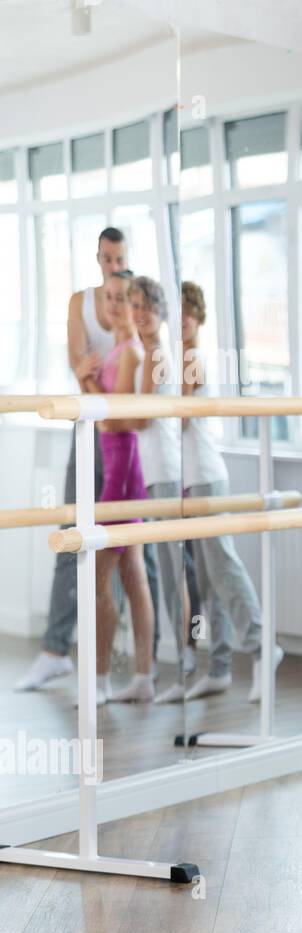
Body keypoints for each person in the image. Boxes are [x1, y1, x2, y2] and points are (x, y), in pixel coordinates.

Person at [14, 227, 120, 692]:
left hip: (124, 438)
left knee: (133, 548)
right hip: (88, 434)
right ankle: (55, 652)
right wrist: (85, 377)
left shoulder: (129, 302)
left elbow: (105, 374)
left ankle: (140, 666)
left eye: (120, 260)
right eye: (107, 259)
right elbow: (79, 369)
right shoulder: (81, 302)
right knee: (70, 534)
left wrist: (87, 376)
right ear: (97, 258)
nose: (113, 266)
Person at [177, 282, 283, 702]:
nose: (183, 319)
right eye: (178, 312)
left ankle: (262, 646)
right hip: (192, 479)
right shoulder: (177, 357)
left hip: (206, 476)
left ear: (198, 318)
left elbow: (179, 420)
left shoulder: (190, 358)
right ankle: (219, 666)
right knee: (206, 579)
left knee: (222, 567)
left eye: (189, 312)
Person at [77, 269, 155, 704]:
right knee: (133, 574)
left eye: (120, 298)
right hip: (120, 468)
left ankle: (101, 679)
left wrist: (83, 377)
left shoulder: (131, 354)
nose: (112, 305)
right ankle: (142, 677)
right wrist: (85, 375)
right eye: (107, 297)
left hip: (123, 471)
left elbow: (110, 420)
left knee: (97, 574)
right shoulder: (120, 350)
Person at [127, 275, 191, 704]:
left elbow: (142, 418)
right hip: (153, 470)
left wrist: (108, 413)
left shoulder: (156, 355)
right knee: (167, 570)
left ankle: (185, 662)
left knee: (172, 571)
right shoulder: (147, 354)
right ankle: (178, 661)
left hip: (165, 470)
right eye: (135, 306)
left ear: (161, 312)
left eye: (148, 306)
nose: (141, 314)